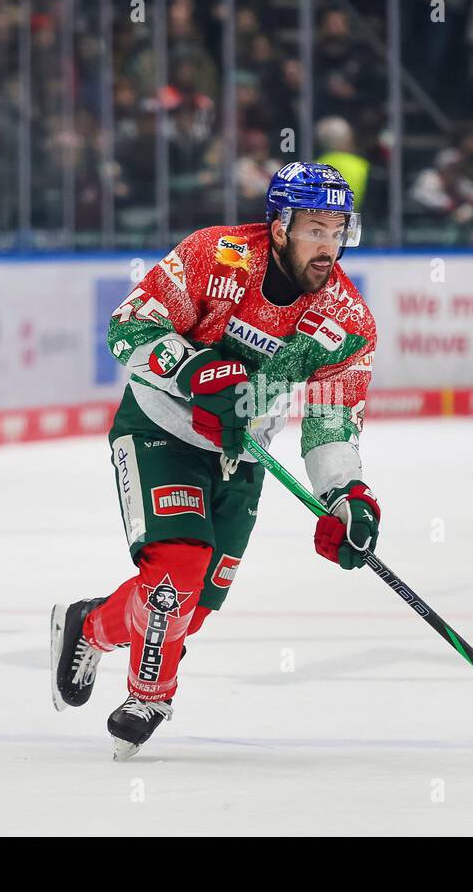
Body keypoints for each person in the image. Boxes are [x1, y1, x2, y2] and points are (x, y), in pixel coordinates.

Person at [51, 163, 381, 760]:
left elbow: (332, 421)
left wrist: (346, 495)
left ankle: (91, 625)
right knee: (174, 576)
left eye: (338, 230)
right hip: (161, 429)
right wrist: (194, 370)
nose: (329, 246)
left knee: (189, 611)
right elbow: (129, 325)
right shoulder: (217, 255)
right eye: (314, 228)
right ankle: (149, 695)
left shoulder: (347, 321)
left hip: (242, 453)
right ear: (279, 226)